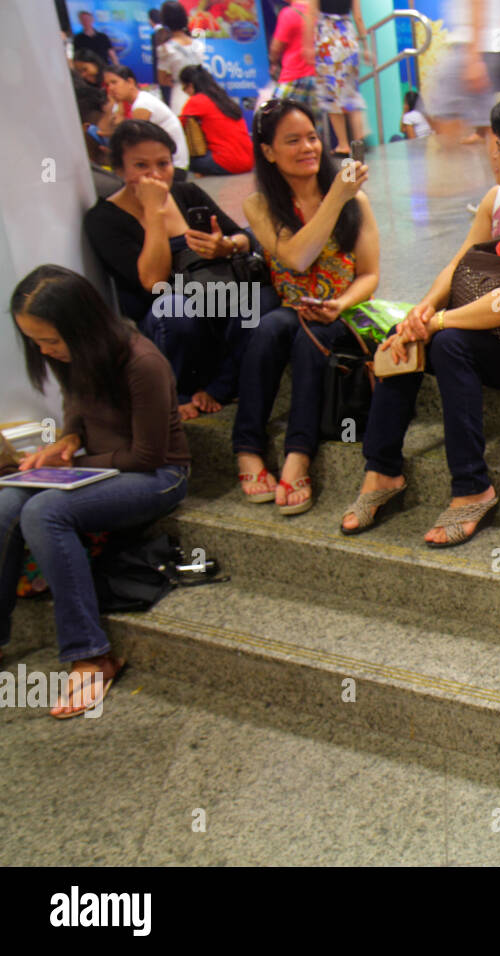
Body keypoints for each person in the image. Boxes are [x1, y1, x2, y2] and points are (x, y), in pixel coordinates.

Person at [340, 95, 500, 544]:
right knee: (401, 334)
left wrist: (439, 323)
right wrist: (421, 312)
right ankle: (381, 471)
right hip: (490, 330)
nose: (488, 151)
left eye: (496, 144)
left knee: (447, 342)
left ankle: (473, 487)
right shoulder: (498, 199)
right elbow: (462, 263)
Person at [2, 265, 190, 717]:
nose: (44, 350)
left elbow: (147, 457)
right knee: (6, 501)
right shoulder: (76, 356)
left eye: (50, 341)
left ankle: (91, 654)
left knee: (44, 512)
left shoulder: (142, 361)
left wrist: (78, 465)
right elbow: (77, 405)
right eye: (35, 342)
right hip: (99, 470)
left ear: (81, 328)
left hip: (160, 476)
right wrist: (66, 442)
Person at [235, 98, 379, 515]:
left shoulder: (357, 202)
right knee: (267, 330)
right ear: (268, 152)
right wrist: (335, 198)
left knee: (308, 337)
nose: (308, 148)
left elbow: (369, 275)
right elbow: (296, 257)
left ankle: (299, 453)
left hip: (344, 313)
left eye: (313, 138)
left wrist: (340, 303)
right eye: (293, 141)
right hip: (292, 307)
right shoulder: (259, 206)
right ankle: (247, 448)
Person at [83, 120, 253, 421]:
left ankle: (222, 386)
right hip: (166, 318)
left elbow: (244, 237)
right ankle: (179, 391)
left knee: (256, 300)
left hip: (213, 297)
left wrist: (226, 246)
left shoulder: (187, 193)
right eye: (141, 165)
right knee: (175, 308)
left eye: (163, 163)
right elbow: (152, 281)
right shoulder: (103, 219)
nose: (155, 175)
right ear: (120, 170)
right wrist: (154, 213)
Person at [427, 0, 500, 147]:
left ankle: (452, 167)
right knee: (485, 123)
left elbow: (478, 4)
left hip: (472, 47)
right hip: (484, 46)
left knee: (444, 116)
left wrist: (474, 59)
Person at [303, 0, 372, 156]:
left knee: (331, 94)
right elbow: (358, 17)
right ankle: (359, 140)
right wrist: (366, 47)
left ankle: (343, 144)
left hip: (328, 40)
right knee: (351, 92)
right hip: (348, 39)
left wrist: (307, 45)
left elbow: (310, 14)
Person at [101, 65, 190, 171]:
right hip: (164, 162)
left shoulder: (142, 103)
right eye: (107, 85)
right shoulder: (132, 101)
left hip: (173, 167)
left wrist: (105, 131)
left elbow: (131, 138)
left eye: (114, 82)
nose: (110, 88)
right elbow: (109, 130)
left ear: (130, 82)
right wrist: (114, 107)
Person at [179, 65, 254, 175]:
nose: (185, 92)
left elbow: (179, 127)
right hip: (249, 161)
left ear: (190, 85)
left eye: (184, 88)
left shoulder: (196, 101)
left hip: (226, 161)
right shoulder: (223, 98)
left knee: (180, 161)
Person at [155, 1, 205, 115]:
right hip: (202, 92)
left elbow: (161, 79)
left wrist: (173, 78)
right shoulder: (199, 45)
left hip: (180, 93)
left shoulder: (165, 49)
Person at [270, 0, 317, 110]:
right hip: (316, 77)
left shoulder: (289, 13)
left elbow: (276, 47)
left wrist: (273, 62)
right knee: (312, 122)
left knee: (275, 114)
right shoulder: (318, 14)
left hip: (293, 75)